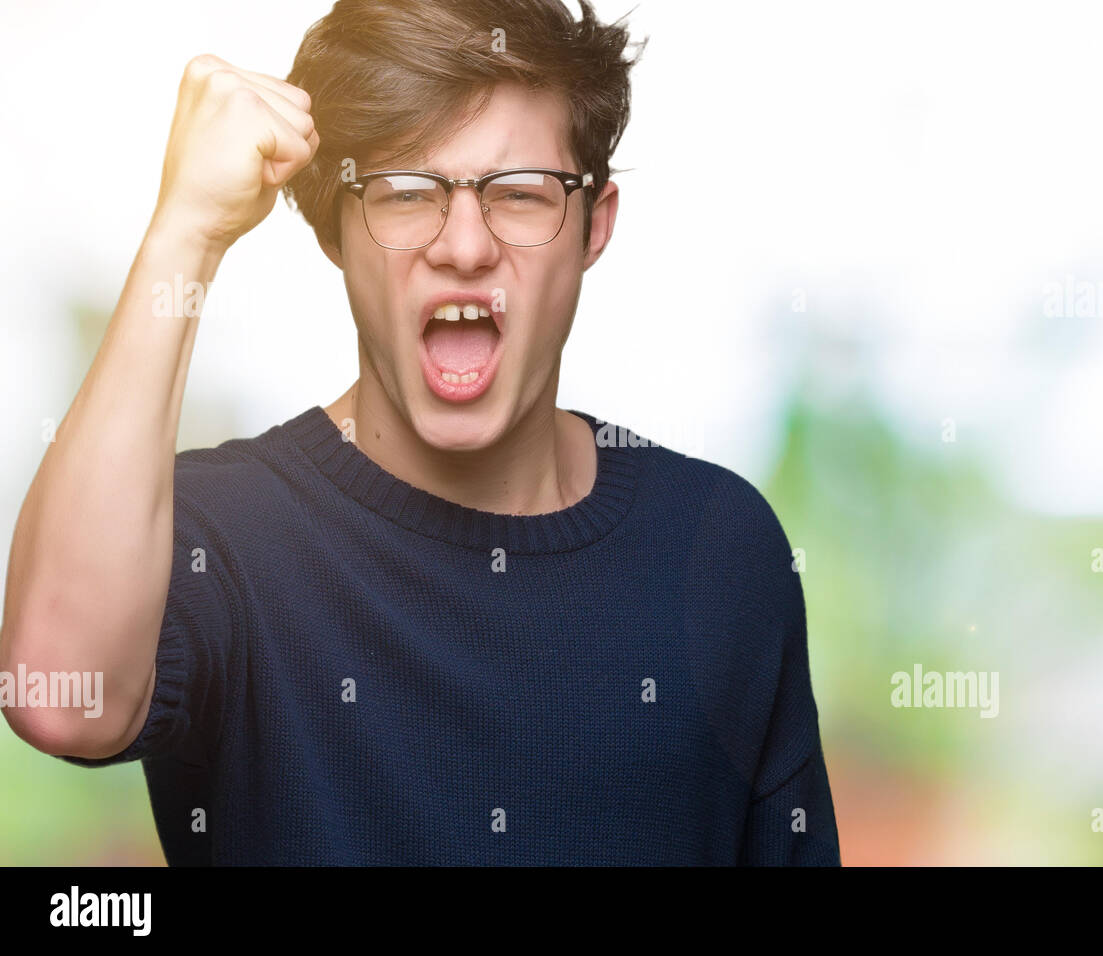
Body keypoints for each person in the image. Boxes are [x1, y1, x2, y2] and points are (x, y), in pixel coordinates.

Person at [0, 0, 839, 865]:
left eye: (520, 195)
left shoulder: (720, 547)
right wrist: (187, 229)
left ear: (596, 224)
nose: (464, 246)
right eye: (405, 193)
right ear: (333, 228)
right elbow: (62, 697)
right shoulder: (225, 538)